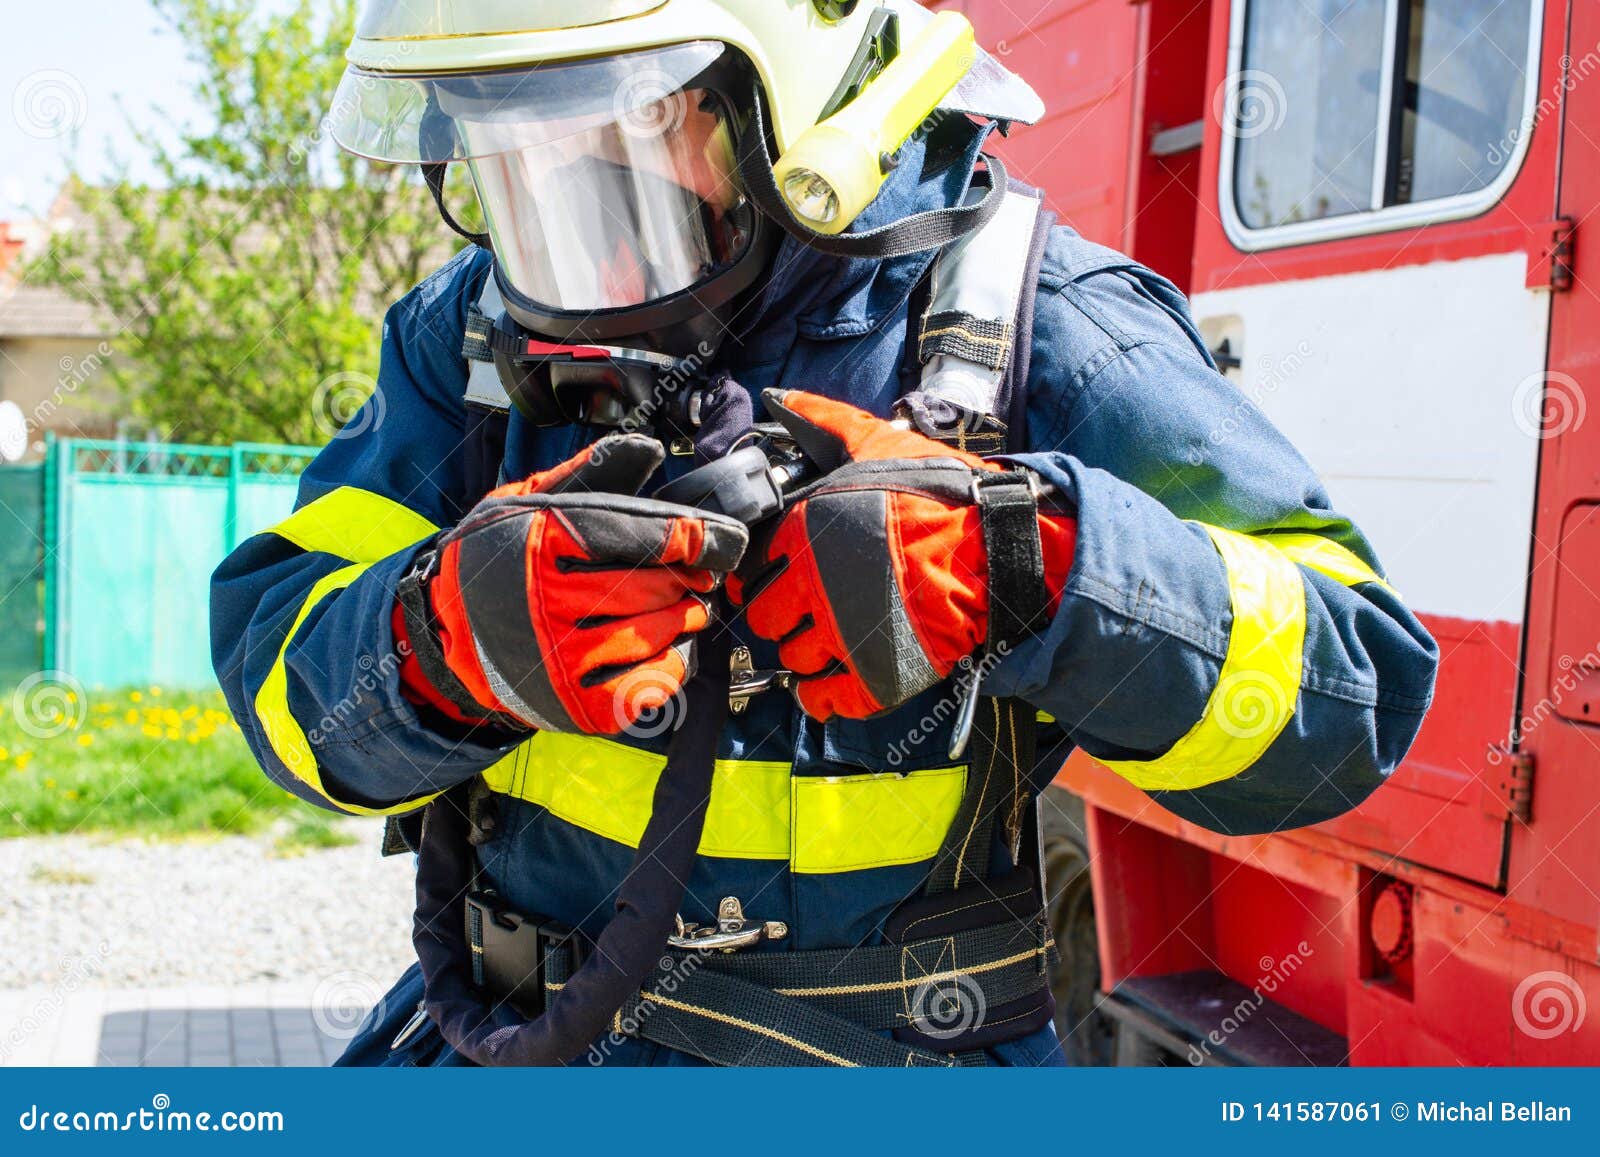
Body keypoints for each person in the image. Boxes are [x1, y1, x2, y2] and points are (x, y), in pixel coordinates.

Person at [211, 0, 1437, 1067]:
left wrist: (1037, 567)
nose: (560, 190)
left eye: (621, 124)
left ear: (792, 97)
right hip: (519, 1048)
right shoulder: (468, 342)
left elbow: (1350, 701)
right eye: (505, 139)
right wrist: (437, 638)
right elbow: (279, 682)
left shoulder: (1040, 323)